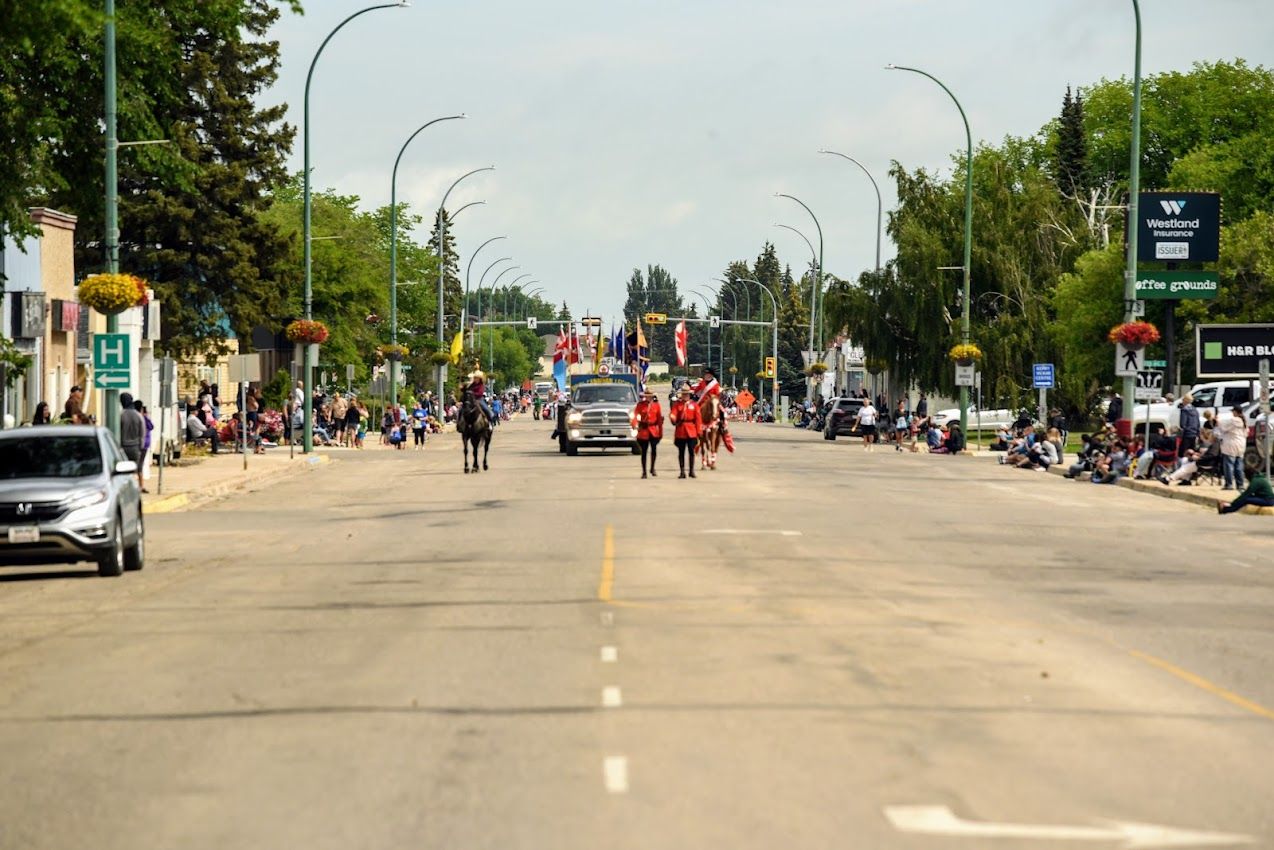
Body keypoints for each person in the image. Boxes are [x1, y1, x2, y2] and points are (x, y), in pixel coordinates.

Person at [669, 383, 701, 479]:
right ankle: (682, 471)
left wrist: (699, 432)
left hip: (691, 430)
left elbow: (698, 419)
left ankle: (691, 471)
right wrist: (673, 418)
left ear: (689, 395)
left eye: (687, 394)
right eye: (684, 394)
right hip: (681, 430)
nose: (685, 396)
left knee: (691, 452)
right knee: (681, 452)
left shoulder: (694, 405)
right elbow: (673, 414)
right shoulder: (677, 404)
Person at [634, 388, 664, 479]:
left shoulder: (656, 405)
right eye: (647, 396)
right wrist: (634, 424)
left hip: (653, 430)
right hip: (644, 430)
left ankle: (652, 468)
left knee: (654, 450)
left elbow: (659, 419)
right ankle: (644, 472)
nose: (648, 398)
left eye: (650, 396)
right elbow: (635, 415)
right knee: (644, 452)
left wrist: (660, 432)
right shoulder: (640, 405)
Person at [1217, 405, 1248, 491]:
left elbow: (1223, 427)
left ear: (1235, 412)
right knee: (1239, 466)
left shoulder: (1233, 420)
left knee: (1229, 465)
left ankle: (1229, 484)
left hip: (1231, 444)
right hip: (1241, 444)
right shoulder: (1244, 421)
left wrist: (1217, 420)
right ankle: (1240, 484)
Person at [118, 393, 145, 487]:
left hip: (123, 447)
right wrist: (140, 446)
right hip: (135, 447)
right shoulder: (138, 415)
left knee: (123, 470)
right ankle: (135, 487)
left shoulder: (120, 415)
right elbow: (142, 433)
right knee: (135, 470)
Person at [134, 399, 154, 492]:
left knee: (137, 465)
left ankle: (139, 485)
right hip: (144, 444)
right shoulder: (143, 418)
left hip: (136, 443)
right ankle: (140, 486)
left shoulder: (135, 416)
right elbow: (151, 426)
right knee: (139, 465)